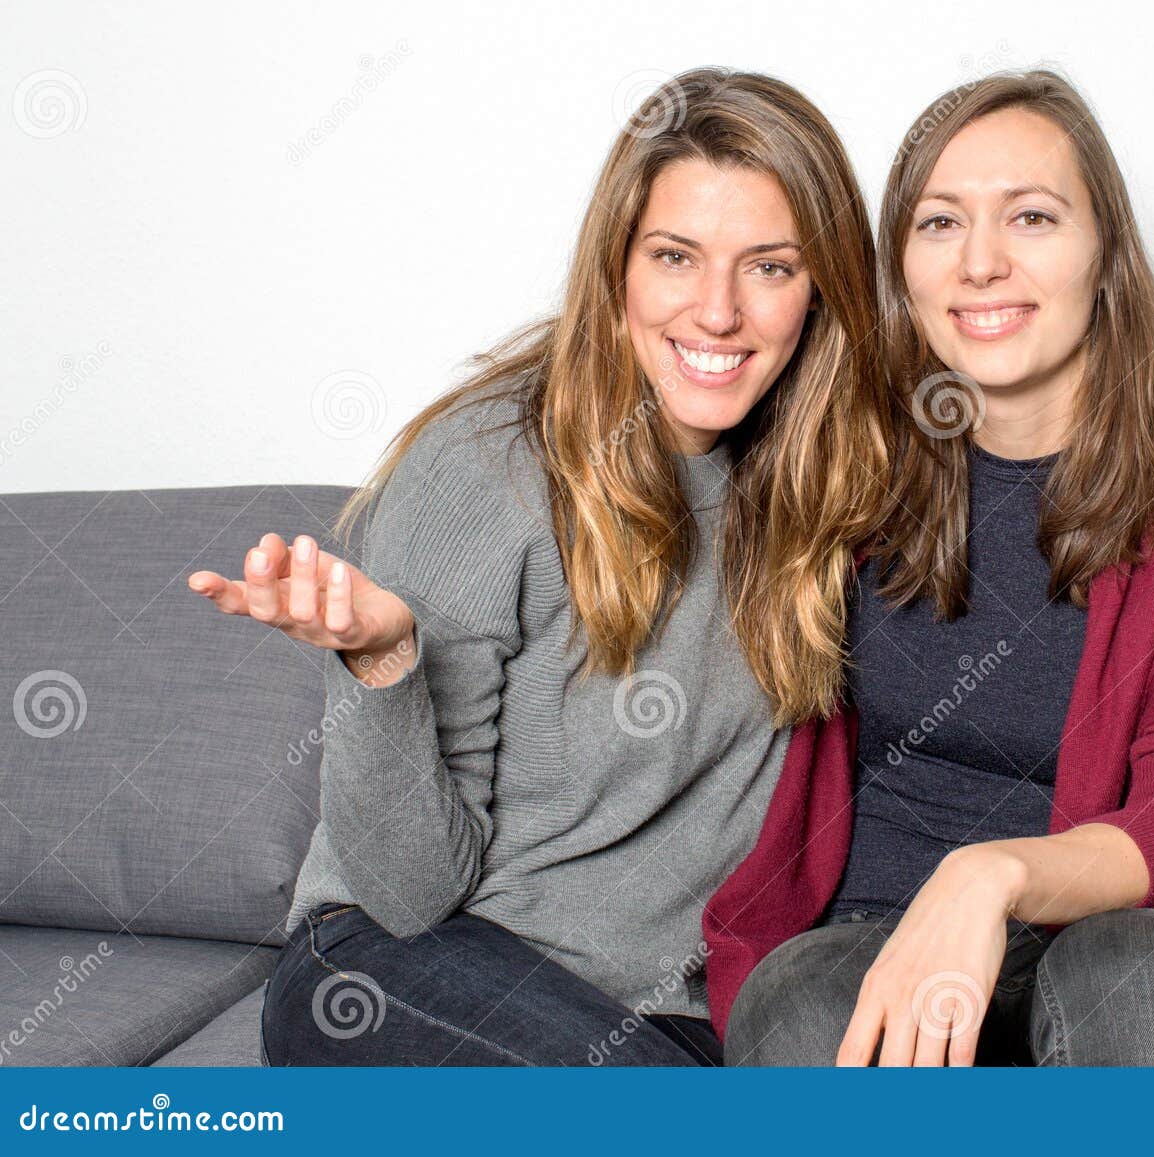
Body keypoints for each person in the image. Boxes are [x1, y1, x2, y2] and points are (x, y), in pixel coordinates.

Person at [187, 67, 887, 1066]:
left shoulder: (821, 484)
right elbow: (407, 895)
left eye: (770, 266)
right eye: (675, 257)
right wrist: (385, 665)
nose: (718, 310)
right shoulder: (487, 465)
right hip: (395, 965)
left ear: (820, 287)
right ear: (618, 267)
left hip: (668, 1020)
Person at [718, 69, 1154, 1067]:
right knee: (799, 1003)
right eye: (941, 223)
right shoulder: (837, 452)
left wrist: (989, 875)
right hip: (863, 941)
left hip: (1107, 942)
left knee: (1129, 976)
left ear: (1106, 255)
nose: (982, 263)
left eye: (1032, 217)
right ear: (900, 265)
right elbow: (656, 363)